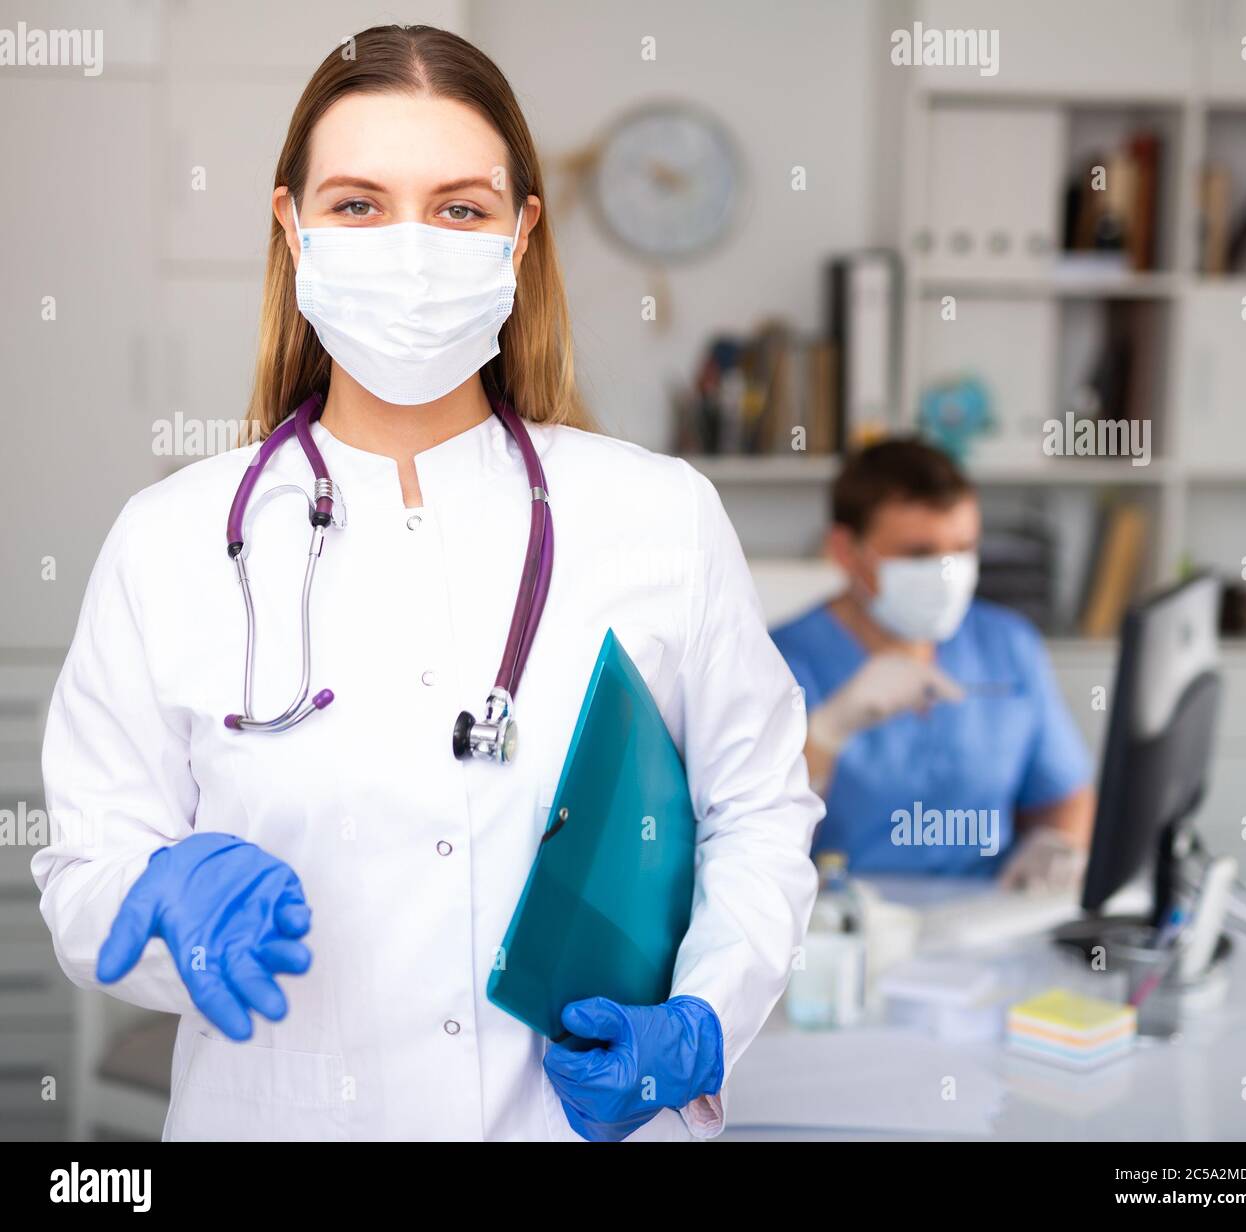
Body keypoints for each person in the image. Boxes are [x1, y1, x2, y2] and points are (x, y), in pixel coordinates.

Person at [31, 25, 821, 1142]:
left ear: (520, 233)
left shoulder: (659, 515)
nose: (410, 246)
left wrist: (704, 1015)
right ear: (291, 227)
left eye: (458, 208)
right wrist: (157, 906)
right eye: (358, 204)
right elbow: (88, 870)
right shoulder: (169, 541)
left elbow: (758, 809)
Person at [771, 438, 1093, 888]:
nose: (947, 573)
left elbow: (1065, 792)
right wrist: (826, 732)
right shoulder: (780, 661)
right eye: (919, 554)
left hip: (987, 915)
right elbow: (759, 836)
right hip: (848, 919)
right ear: (846, 551)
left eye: (962, 549)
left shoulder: (1008, 644)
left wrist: (1059, 847)